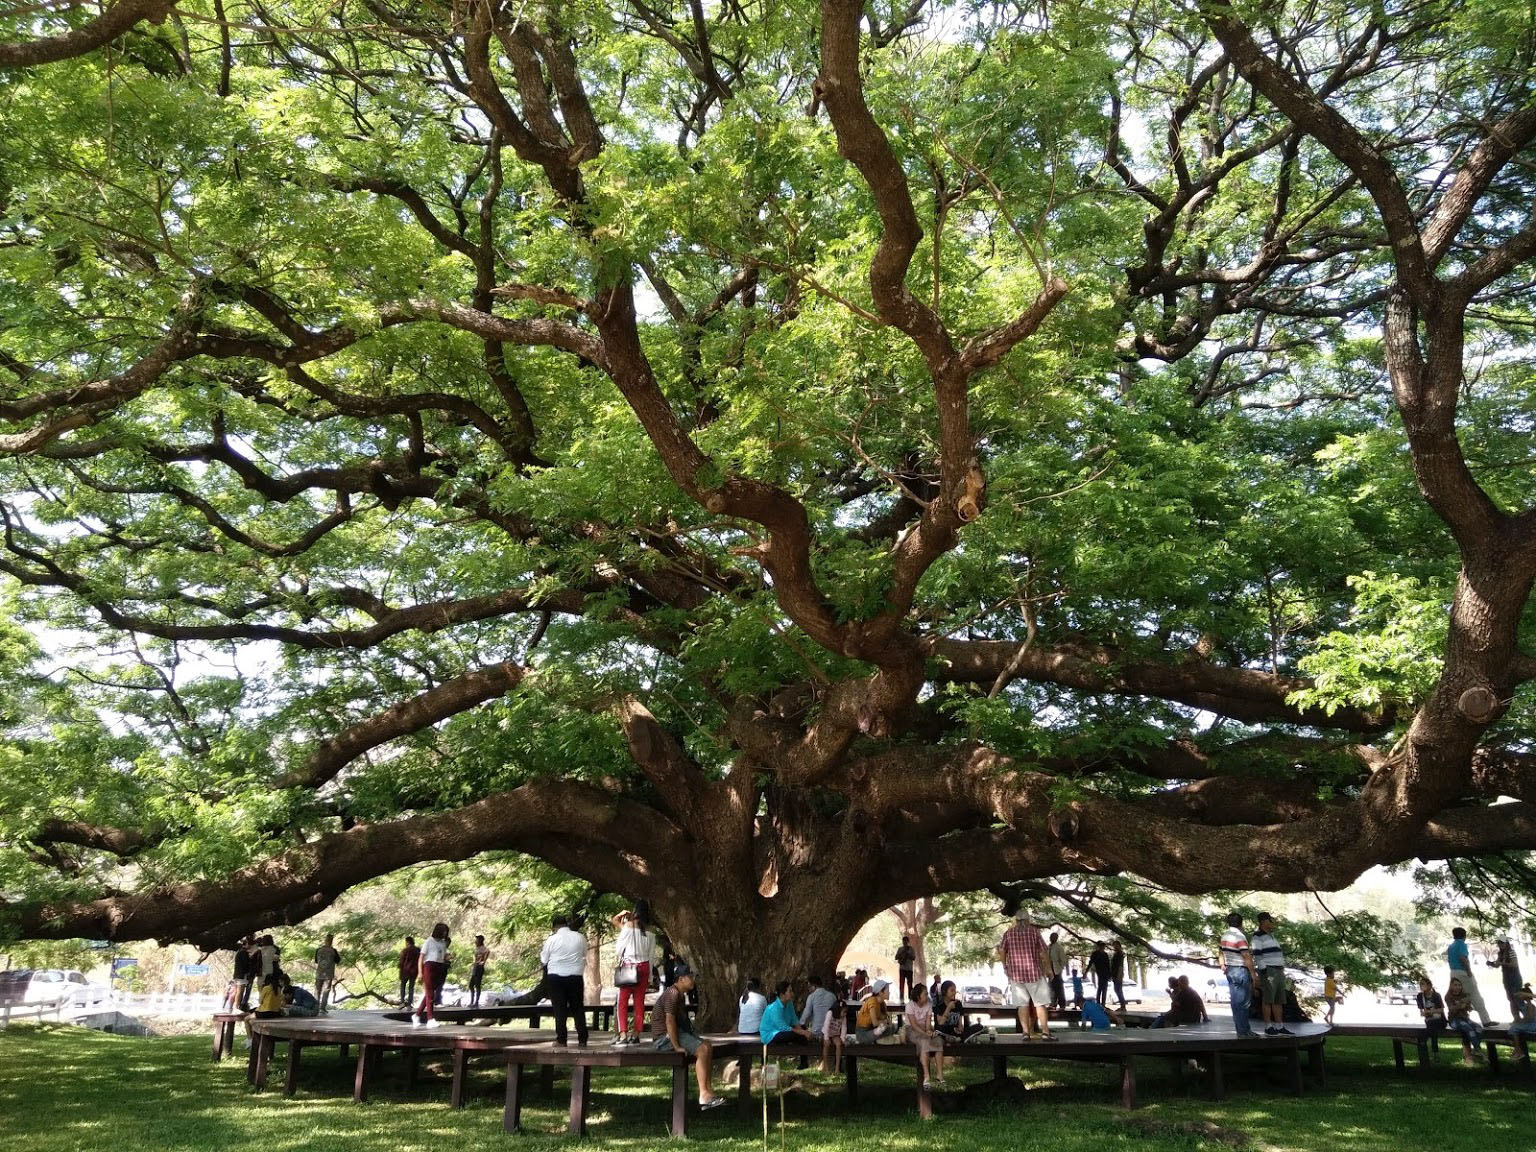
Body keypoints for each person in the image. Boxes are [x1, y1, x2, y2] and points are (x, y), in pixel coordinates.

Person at [651, 964, 727, 1109]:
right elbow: (669, 1021)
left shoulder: (680, 995)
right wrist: (677, 1046)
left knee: (707, 1046)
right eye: (690, 977)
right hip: (663, 1038)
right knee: (702, 1050)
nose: (693, 980)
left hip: (675, 1033)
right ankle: (703, 1095)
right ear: (681, 979)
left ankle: (709, 1091)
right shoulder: (672, 994)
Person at [999, 909, 1055, 1040]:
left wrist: (1005, 966)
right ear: (1028, 920)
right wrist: (1048, 969)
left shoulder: (1009, 933)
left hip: (1016, 975)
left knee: (1022, 1004)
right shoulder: (1034, 932)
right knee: (1040, 1003)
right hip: (1034, 973)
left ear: (1016, 920)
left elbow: (1002, 950)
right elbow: (1044, 951)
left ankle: (1025, 1033)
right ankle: (1045, 1032)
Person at [538, 914, 588, 1046]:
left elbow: (544, 960)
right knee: (577, 1008)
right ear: (566, 924)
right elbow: (584, 954)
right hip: (575, 976)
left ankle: (561, 1039)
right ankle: (582, 1039)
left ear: (554, 927)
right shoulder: (580, 937)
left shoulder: (552, 939)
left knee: (559, 1009)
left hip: (556, 978)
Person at [611, 907, 654, 1045]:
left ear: (635, 913)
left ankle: (623, 1034)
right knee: (639, 1003)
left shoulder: (628, 926)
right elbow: (651, 956)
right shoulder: (650, 932)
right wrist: (650, 976)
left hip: (629, 968)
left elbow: (618, 950)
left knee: (622, 1003)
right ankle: (636, 1034)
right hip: (644, 967)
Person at [1250, 912, 1291, 1035]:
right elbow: (1257, 953)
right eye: (1270, 921)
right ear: (1264, 922)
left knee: (1279, 999)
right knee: (1268, 998)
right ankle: (1268, 1026)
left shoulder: (1272, 936)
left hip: (1278, 970)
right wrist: (1263, 969)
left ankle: (1279, 1025)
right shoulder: (1257, 936)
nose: (1272, 923)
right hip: (1269, 970)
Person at [1218, 912, 1258, 1037]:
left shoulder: (1224, 936)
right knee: (1244, 1002)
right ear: (1241, 923)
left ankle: (1241, 1029)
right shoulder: (1239, 937)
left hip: (1230, 969)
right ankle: (1244, 1031)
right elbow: (1246, 955)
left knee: (1235, 1002)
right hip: (1240, 969)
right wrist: (1253, 974)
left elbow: (1220, 952)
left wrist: (1222, 964)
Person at [1446, 927, 1494, 1026]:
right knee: (1475, 995)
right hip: (1463, 972)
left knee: (1457, 995)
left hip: (1453, 972)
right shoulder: (1461, 944)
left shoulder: (1451, 946)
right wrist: (1469, 970)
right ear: (1464, 936)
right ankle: (1486, 1020)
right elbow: (1463, 958)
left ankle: (1460, 1017)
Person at [904, 984, 944, 1087]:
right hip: (912, 1029)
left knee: (938, 1040)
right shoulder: (910, 1006)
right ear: (918, 997)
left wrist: (929, 1031)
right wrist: (925, 1034)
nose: (927, 996)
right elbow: (913, 1025)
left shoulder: (928, 1005)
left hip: (924, 1029)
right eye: (925, 994)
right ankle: (927, 1075)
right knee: (924, 1042)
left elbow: (927, 1023)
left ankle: (940, 1074)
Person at [413, 922, 450, 1028]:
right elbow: (421, 957)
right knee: (430, 994)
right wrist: (420, 973)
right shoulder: (429, 941)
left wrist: (448, 957)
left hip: (439, 967)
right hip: (429, 967)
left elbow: (442, 957)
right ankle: (430, 1019)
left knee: (430, 994)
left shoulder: (443, 943)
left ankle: (417, 1015)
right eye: (443, 931)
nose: (445, 934)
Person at [1445, 975, 1484, 1065]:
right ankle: (1477, 1049)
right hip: (1454, 1020)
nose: (1458, 987)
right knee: (1468, 1028)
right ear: (1451, 986)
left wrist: (1468, 1006)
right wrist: (1460, 1005)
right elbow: (1452, 1010)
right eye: (1455, 985)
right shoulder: (1448, 997)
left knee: (1478, 1028)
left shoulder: (1464, 995)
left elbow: (1469, 1008)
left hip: (1465, 1018)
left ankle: (1475, 1049)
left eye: (1459, 985)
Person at [760, 980, 812, 1045]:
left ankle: (803, 1052)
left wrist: (803, 1031)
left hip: (784, 1030)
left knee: (802, 1029)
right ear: (782, 995)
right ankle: (803, 1052)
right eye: (790, 991)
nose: (792, 994)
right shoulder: (774, 1007)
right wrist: (802, 1032)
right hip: (771, 1034)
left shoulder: (789, 1004)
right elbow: (782, 1027)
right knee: (795, 1035)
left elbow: (794, 1020)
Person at [1491, 938, 1523, 1019]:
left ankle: (1527, 1017)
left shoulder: (1511, 952)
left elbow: (1514, 964)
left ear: (1507, 943)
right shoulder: (1500, 953)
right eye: (1499, 943)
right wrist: (1491, 964)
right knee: (1510, 999)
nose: (1500, 945)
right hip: (1506, 977)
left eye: (1502, 943)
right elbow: (1497, 965)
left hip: (1514, 977)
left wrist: (1502, 963)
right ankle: (1516, 1018)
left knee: (1518, 998)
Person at [800, 974, 837, 1042]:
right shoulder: (832, 996)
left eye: (809, 987)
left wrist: (800, 1026)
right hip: (831, 1032)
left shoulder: (811, 997)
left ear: (814, 986)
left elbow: (806, 1014)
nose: (808, 989)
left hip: (816, 1032)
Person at [1416, 976, 1446, 1054]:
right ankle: (1435, 1053)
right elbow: (1421, 1012)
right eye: (1420, 984)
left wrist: (1431, 1012)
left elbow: (1441, 1010)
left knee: (1431, 1027)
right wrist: (1424, 1013)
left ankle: (1422, 1040)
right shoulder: (1420, 996)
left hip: (1440, 1020)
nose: (1421, 986)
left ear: (1429, 985)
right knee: (1432, 1030)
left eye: (1423, 984)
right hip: (1429, 1020)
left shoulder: (1436, 995)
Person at [314, 933, 341, 1014]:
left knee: (317, 990)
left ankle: (315, 1007)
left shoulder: (318, 950)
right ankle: (322, 1007)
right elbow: (338, 960)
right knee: (326, 990)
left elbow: (316, 961)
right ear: (331, 941)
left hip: (319, 973)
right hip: (328, 974)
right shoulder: (333, 951)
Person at [227, 937, 253, 1012]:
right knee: (240, 991)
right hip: (242, 974)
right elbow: (246, 964)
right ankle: (237, 1007)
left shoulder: (239, 951)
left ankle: (231, 1007)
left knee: (236, 991)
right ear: (247, 944)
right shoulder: (244, 953)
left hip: (237, 974)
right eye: (250, 944)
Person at [1047, 932, 1068, 1010]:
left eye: (1053, 937)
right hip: (1050, 969)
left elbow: (1063, 959)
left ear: (1056, 938)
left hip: (1056, 969)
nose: (1051, 938)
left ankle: (1062, 1004)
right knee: (1051, 987)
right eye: (1051, 937)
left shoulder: (1059, 947)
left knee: (1059, 987)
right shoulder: (1048, 947)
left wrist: (1060, 968)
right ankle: (1053, 1003)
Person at [398, 937, 420, 1007]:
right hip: (414, 972)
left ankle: (402, 1002)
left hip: (405, 971)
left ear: (407, 942)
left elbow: (401, 962)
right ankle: (409, 1003)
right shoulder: (417, 950)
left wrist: (400, 969)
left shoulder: (405, 951)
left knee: (403, 986)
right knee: (411, 987)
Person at [1087, 942, 1112, 1006]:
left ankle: (1103, 1003)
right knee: (1100, 987)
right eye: (1101, 946)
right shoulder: (1095, 954)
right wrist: (1086, 972)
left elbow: (1108, 965)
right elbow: (1091, 962)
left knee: (1105, 988)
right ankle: (1098, 1002)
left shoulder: (1105, 954)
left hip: (1105, 973)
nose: (1102, 947)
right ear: (1099, 946)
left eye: (1103, 946)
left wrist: (1109, 975)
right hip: (1100, 972)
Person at [895, 937, 916, 1002]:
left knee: (909, 984)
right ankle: (901, 998)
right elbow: (896, 957)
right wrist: (902, 953)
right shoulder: (900, 949)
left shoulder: (911, 949)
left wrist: (908, 954)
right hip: (902, 969)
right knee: (901, 983)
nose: (905, 943)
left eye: (906, 941)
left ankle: (910, 997)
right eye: (904, 941)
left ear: (908, 941)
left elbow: (913, 958)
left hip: (909, 969)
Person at [1109, 940, 1128, 1011]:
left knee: (1118, 990)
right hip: (1114, 974)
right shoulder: (1116, 954)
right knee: (1117, 989)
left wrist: (1119, 975)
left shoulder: (1119, 954)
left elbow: (1120, 966)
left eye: (1115, 945)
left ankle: (1123, 1006)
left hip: (1118, 974)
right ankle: (1122, 1005)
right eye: (1113, 945)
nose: (1114, 947)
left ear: (1119, 946)